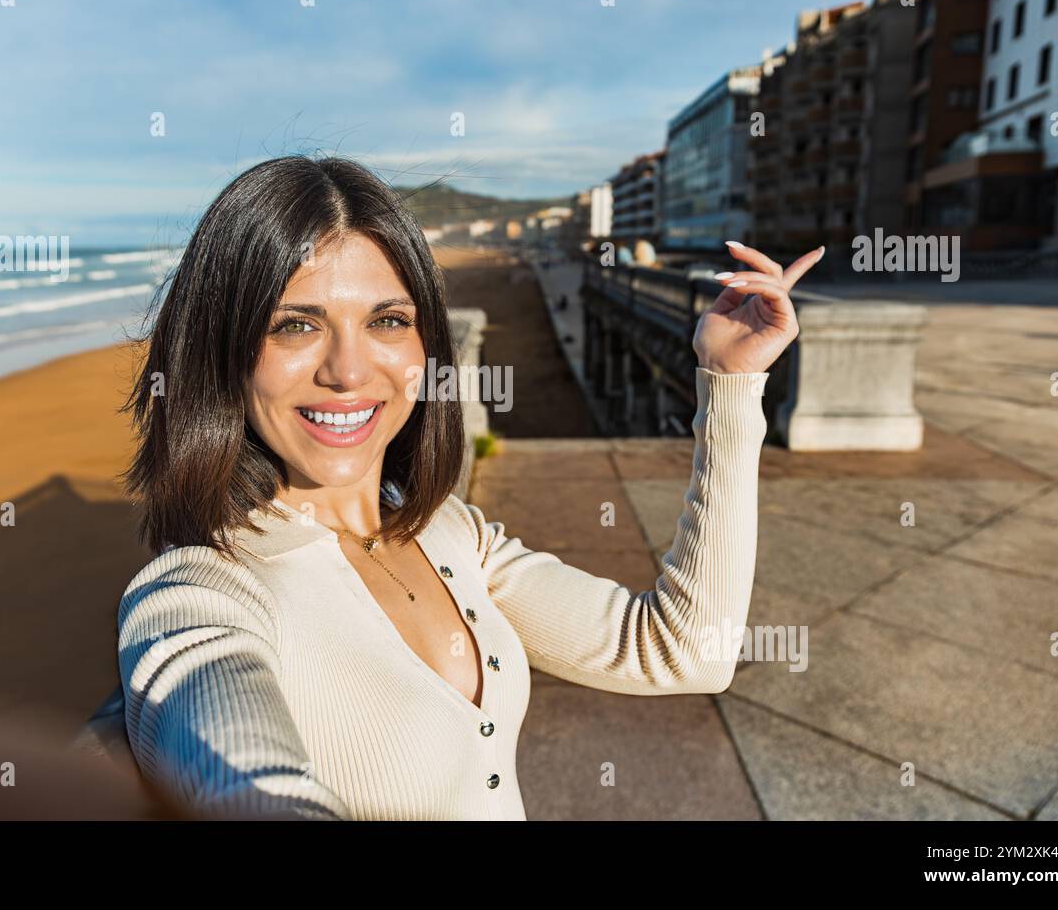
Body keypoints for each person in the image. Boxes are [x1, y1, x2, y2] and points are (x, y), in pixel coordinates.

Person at [116, 155, 819, 820]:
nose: (350, 371)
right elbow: (243, 780)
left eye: (387, 321)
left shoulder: (450, 531)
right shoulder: (196, 594)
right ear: (222, 354)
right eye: (295, 325)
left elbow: (683, 649)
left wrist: (729, 384)